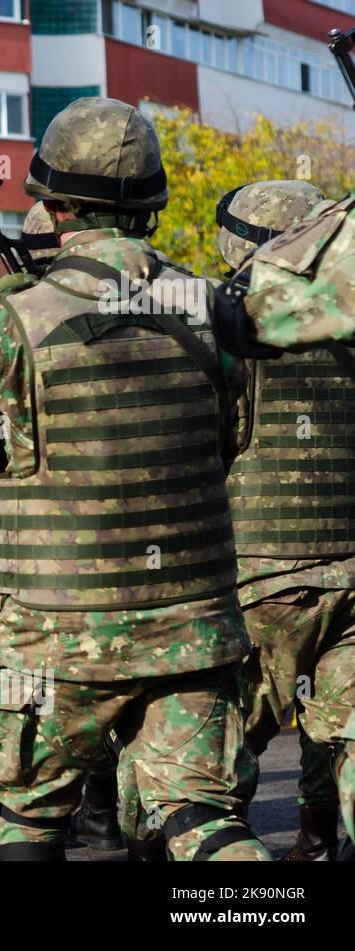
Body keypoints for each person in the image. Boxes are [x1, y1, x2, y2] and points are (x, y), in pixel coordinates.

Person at [0, 97, 269, 861]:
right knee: (200, 816)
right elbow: (235, 439)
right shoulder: (216, 309)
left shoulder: (10, 316)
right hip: (193, 626)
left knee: (25, 818)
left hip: (48, 637)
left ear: (53, 205)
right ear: (154, 202)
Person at [206, 179, 351, 861]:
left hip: (264, 581)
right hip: (351, 577)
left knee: (205, 766)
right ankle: (319, 838)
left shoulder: (226, 328)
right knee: (343, 735)